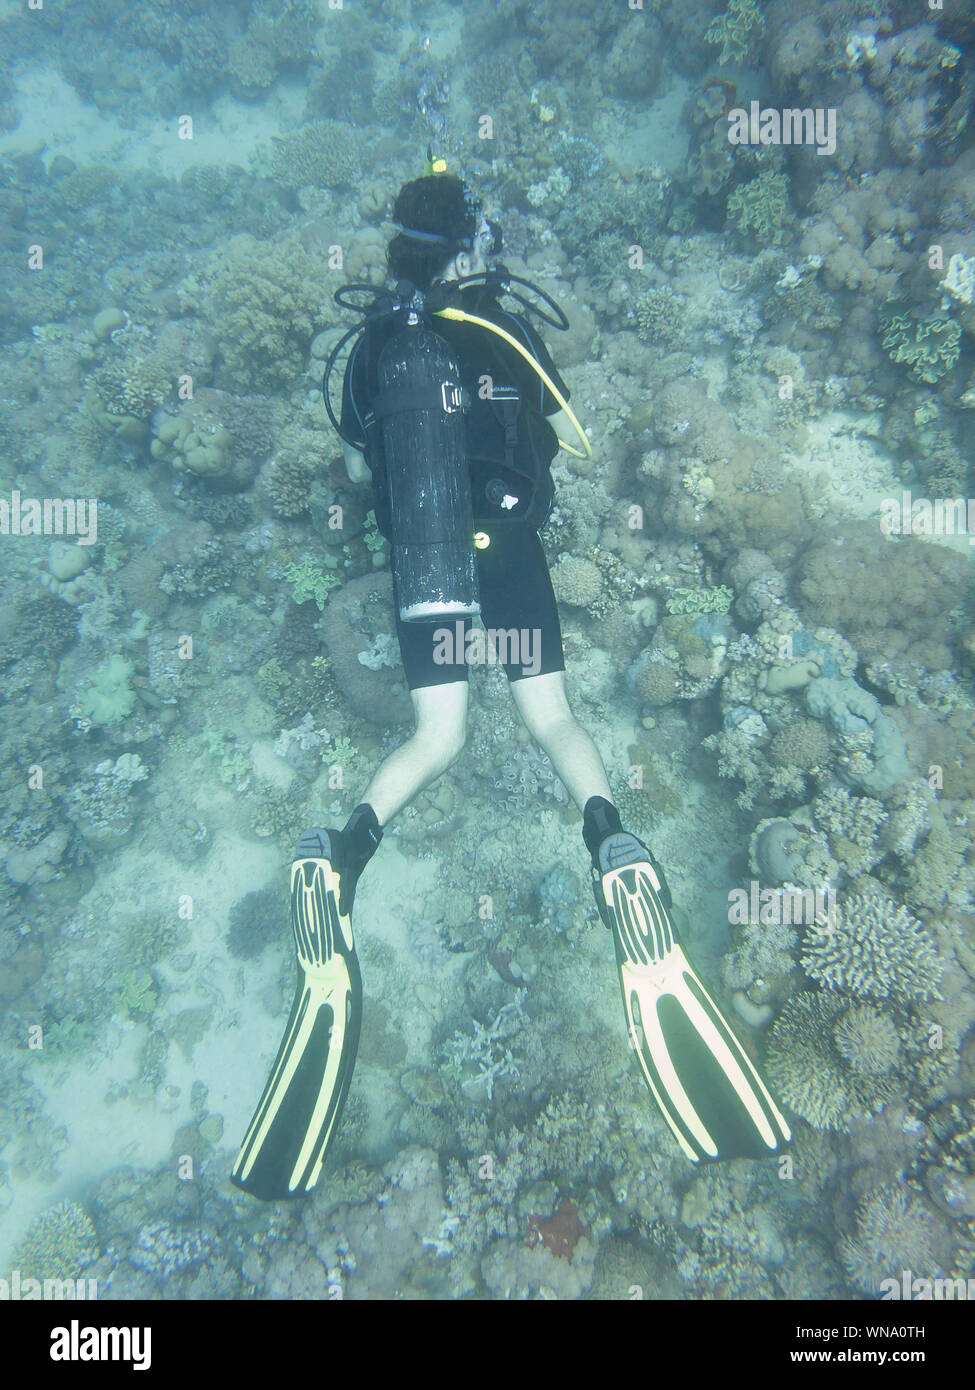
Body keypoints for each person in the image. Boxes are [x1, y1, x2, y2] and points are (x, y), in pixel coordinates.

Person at [230, 167, 790, 1202]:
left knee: (434, 739)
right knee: (555, 719)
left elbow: (362, 445)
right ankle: (612, 845)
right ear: (470, 248)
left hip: (422, 561)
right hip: (506, 553)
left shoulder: (372, 345)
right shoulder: (499, 332)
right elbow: (553, 447)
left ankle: (342, 853)